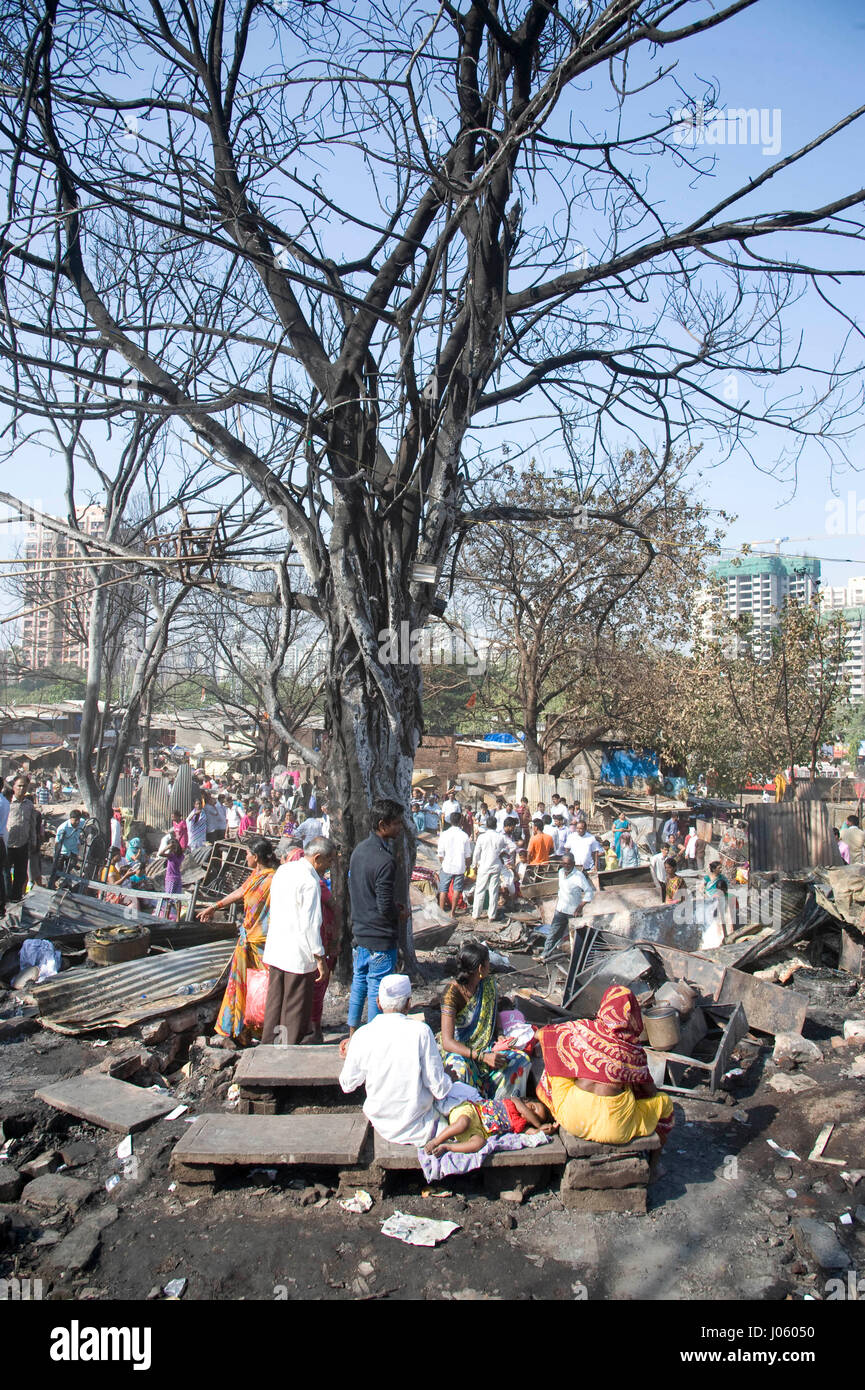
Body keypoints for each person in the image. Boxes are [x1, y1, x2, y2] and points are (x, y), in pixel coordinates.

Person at [536, 985, 674, 1145]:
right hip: (614, 1130)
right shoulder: (634, 1051)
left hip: (572, 1118)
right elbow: (649, 1092)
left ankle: (547, 1119)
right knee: (664, 1102)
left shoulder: (583, 1029)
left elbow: (542, 1034)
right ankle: (656, 1165)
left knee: (556, 1064)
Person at [339, 974, 464, 1146]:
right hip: (419, 1125)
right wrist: (448, 1076)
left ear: (378, 1003)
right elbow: (439, 1088)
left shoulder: (362, 1035)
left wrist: (354, 1054)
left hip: (381, 1124)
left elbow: (347, 1084)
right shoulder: (421, 1031)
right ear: (408, 1004)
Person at [340, 799, 409, 1056]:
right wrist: (399, 912)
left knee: (360, 983)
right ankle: (371, 1046)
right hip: (380, 935)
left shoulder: (359, 850)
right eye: (397, 823)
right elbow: (384, 905)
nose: (400, 827)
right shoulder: (385, 860)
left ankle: (353, 1034)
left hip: (360, 931)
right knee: (378, 987)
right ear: (383, 825)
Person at [198, 838, 279, 1043]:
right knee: (243, 985)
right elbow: (240, 892)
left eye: (247, 854)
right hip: (248, 939)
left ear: (256, 857)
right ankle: (240, 1027)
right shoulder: (256, 876)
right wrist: (214, 907)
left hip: (264, 943)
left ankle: (263, 1031)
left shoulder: (273, 880)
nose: (245, 857)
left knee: (263, 988)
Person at [261, 835, 335, 1046]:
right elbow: (311, 924)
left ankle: (270, 1044)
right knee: (293, 1006)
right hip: (298, 954)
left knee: (275, 1001)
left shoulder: (283, 870)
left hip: (277, 948)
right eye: (328, 862)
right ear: (318, 858)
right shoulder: (310, 882)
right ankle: (286, 1048)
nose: (328, 867)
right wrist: (320, 958)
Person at [439, 940, 531, 1099]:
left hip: (487, 1048)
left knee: (520, 1060)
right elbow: (447, 1042)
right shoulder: (452, 994)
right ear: (481, 968)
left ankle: (503, 1105)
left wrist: (500, 1035)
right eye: (488, 963)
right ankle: (472, 1109)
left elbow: (493, 1013)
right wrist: (481, 1056)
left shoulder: (488, 985)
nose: (490, 966)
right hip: (462, 1052)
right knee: (458, 1070)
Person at [424, 1095, 555, 1155]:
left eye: (536, 1116)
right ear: (527, 1101)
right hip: (473, 1113)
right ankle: (437, 1141)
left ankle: (448, 1147)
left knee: (479, 1143)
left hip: (480, 1131)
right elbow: (526, 1111)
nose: (531, 1113)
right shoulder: (515, 1101)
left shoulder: (522, 1126)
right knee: (463, 1123)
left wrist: (547, 1130)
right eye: (532, 1107)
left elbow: (533, 1133)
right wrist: (538, 1124)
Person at [539, 853, 594, 962]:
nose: (566, 866)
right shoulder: (560, 872)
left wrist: (580, 906)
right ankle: (545, 954)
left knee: (576, 936)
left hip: (574, 911)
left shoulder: (578, 876)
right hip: (561, 909)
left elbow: (589, 892)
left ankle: (579, 958)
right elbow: (561, 890)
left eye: (568, 864)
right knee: (553, 932)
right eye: (564, 863)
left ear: (573, 864)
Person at [471, 816, 508, 923]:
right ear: (496, 825)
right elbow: (510, 847)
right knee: (493, 891)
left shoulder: (482, 837)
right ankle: (491, 916)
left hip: (484, 866)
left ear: (487, 825)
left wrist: (474, 865)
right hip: (496, 865)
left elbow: (476, 853)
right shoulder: (500, 837)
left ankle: (476, 914)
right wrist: (502, 853)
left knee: (480, 890)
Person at [6, 775, 38, 901]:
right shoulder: (7, 802)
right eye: (19, 786)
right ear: (13, 787)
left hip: (23, 844)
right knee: (5, 873)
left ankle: (16, 898)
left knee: (20, 874)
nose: (21, 788)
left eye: (24, 786)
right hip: (8, 844)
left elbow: (32, 824)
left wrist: (33, 841)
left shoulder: (29, 805)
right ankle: (6, 898)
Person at [437, 809, 472, 911]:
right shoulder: (464, 836)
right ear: (461, 821)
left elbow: (440, 853)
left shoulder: (444, 834)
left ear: (450, 821)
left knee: (443, 890)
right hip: (459, 867)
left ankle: (441, 912)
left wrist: (443, 863)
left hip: (447, 866)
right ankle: (453, 912)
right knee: (457, 890)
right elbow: (468, 855)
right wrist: (468, 866)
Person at [49, 809, 83, 887]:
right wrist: (56, 856)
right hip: (63, 852)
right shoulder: (63, 828)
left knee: (70, 870)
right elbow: (57, 842)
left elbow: (87, 822)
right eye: (75, 821)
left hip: (73, 851)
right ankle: (51, 885)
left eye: (78, 820)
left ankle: (66, 885)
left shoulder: (81, 822)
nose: (77, 823)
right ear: (70, 819)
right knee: (58, 870)